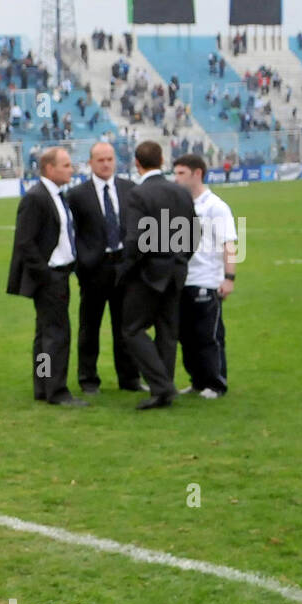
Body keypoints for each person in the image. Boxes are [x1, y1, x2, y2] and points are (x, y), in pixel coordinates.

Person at [5, 146, 88, 406]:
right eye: (66, 165)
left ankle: (43, 385)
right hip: (50, 277)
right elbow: (25, 242)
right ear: (50, 168)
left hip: (59, 274)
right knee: (57, 334)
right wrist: (45, 275)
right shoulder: (36, 198)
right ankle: (57, 390)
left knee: (45, 334)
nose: (71, 169)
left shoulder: (56, 195)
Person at [118, 140, 198, 409]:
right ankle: (164, 388)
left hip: (148, 273)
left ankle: (162, 386)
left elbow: (135, 240)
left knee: (132, 329)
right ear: (162, 160)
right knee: (167, 331)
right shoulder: (181, 192)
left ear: (137, 163)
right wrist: (180, 260)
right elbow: (193, 234)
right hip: (175, 271)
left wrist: (126, 269)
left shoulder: (138, 194)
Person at [66, 142, 141, 393]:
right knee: (90, 327)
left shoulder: (129, 189)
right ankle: (88, 379)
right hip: (94, 270)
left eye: (109, 159)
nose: (106, 164)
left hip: (124, 267)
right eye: (100, 160)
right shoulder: (77, 195)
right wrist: (81, 265)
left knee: (125, 327)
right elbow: (71, 233)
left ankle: (129, 379)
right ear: (90, 163)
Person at [172, 154, 237, 398]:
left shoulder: (215, 206)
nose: (176, 179)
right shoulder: (179, 204)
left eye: (181, 173)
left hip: (207, 280)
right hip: (182, 280)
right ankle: (198, 381)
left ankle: (216, 383)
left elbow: (228, 244)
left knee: (208, 335)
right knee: (185, 336)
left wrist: (229, 278)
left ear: (197, 174)